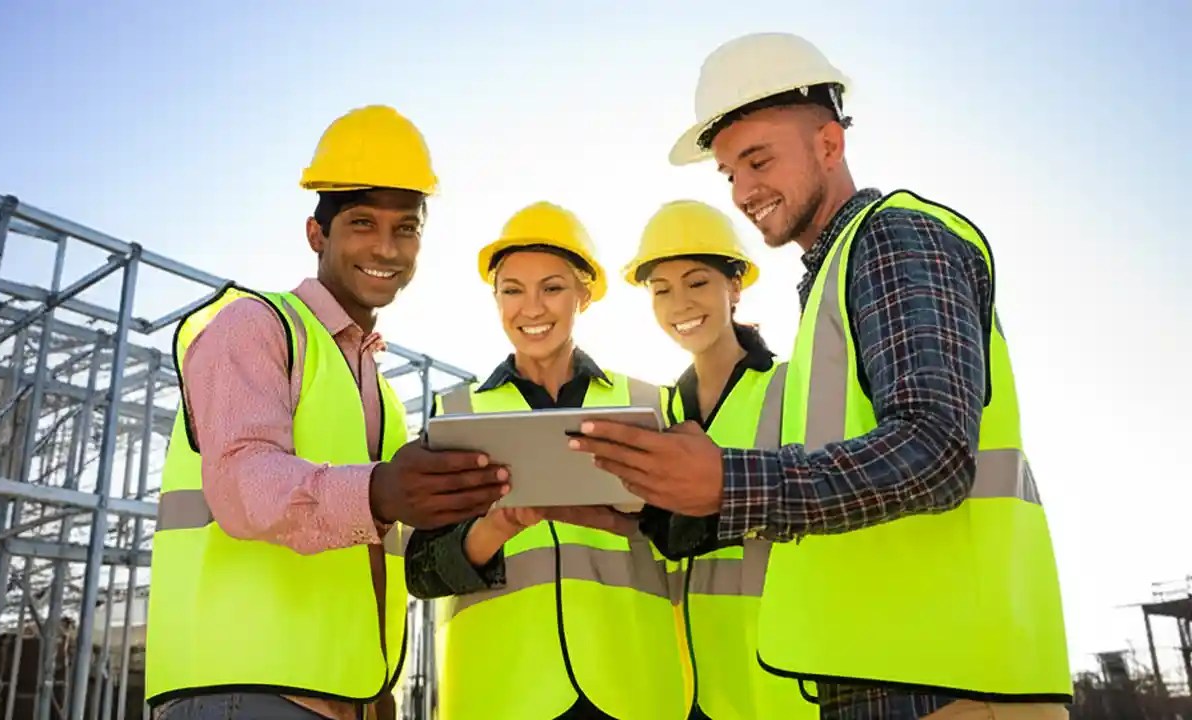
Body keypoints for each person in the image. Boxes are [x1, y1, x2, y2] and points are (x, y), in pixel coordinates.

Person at [572, 33, 1072, 720]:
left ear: (829, 146)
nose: (745, 192)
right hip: (881, 669)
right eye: (729, 174)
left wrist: (726, 482)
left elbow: (936, 451)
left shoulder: (895, 238)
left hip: (947, 681)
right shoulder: (834, 282)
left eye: (759, 161)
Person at [145, 105, 510, 720]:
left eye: (407, 228)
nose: (386, 248)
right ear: (317, 235)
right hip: (244, 692)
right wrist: (384, 492)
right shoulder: (256, 327)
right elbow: (242, 485)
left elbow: (378, 552)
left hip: (344, 698)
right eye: (362, 222)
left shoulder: (379, 390)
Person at [405, 201, 691, 720]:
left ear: (584, 294)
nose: (531, 308)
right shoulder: (456, 413)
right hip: (504, 693)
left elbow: (692, 535)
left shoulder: (648, 403)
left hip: (632, 685)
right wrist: (495, 528)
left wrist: (642, 510)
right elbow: (422, 571)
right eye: (512, 290)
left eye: (552, 288)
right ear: (495, 299)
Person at [623, 199, 818, 720]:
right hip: (678, 689)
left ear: (734, 287)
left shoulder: (790, 388)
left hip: (778, 683)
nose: (679, 303)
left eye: (697, 282)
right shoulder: (653, 413)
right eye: (660, 290)